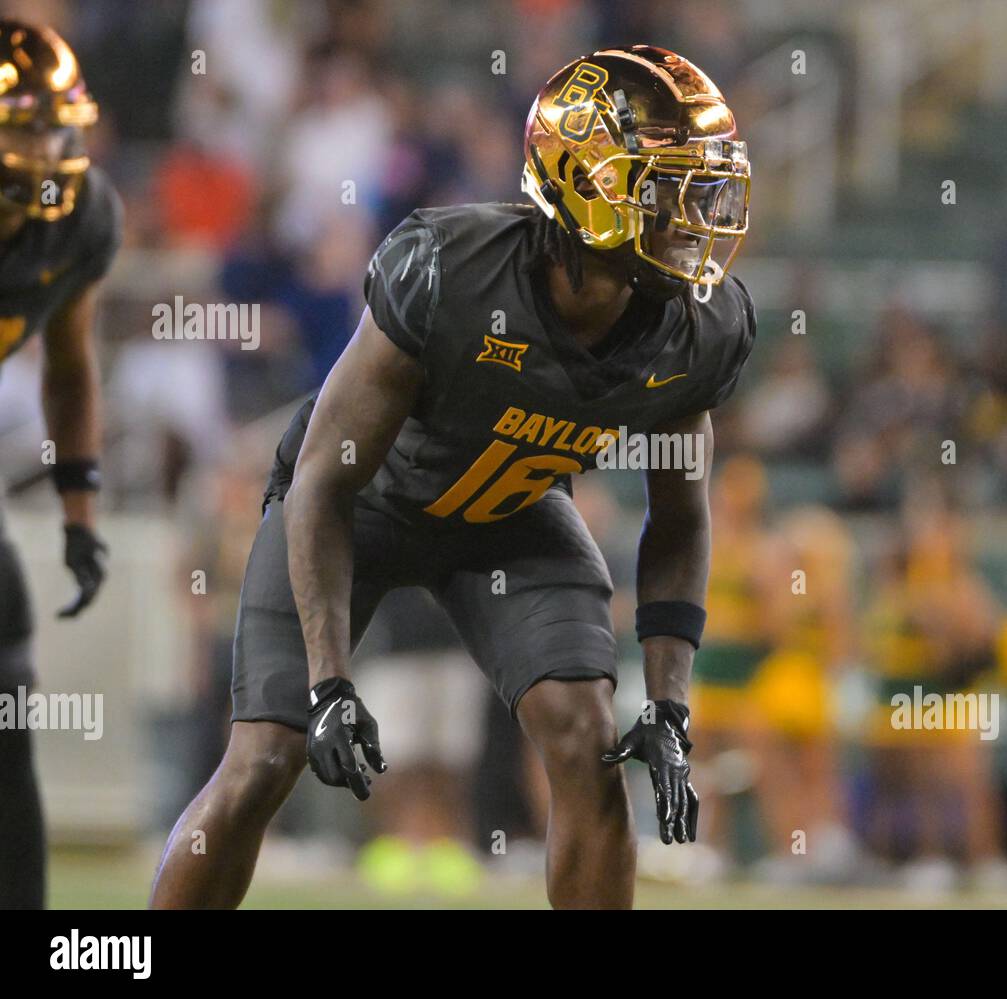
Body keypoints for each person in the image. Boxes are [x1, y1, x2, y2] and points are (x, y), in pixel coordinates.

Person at [150, 46, 756, 910]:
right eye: (667, 188)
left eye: (701, 186)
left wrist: (668, 704)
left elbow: (682, 515)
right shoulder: (452, 271)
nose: (694, 215)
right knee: (265, 758)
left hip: (511, 511)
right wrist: (326, 681)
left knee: (588, 740)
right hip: (365, 505)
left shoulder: (696, 329)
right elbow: (324, 477)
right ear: (590, 185)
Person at [0, 20, 121, 909]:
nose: (44, 150)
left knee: (9, 692)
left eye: (54, 128)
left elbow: (72, 368)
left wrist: (80, 510)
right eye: (21, 127)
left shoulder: (80, 220)